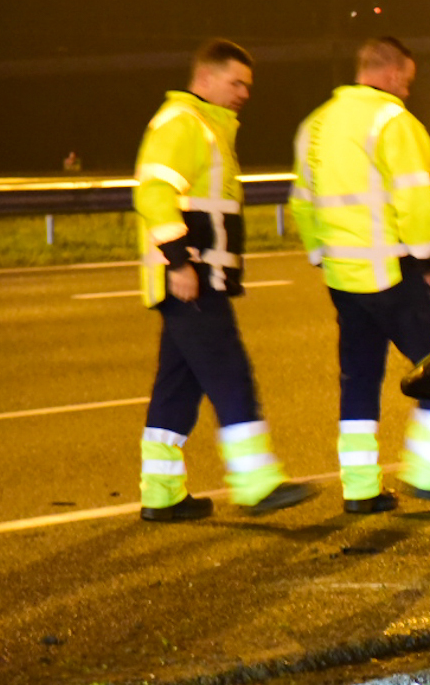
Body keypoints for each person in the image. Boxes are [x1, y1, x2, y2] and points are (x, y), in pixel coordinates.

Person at [133, 39, 312, 521]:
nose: (243, 93)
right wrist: (179, 263)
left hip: (197, 275)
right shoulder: (183, 124)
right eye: (235, 82)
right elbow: (153, 195)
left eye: (248, 85)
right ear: (205, 78)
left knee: (177, 387)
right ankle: (255, 482)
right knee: (230, 373)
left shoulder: (208, 127)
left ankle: (161, 492)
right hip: (192, 277)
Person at [288, 36, 430, 513]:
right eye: (405, 80)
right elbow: (414, 198)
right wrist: (427, 261)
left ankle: (360, 488)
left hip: (344, 277)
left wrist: (321, 255)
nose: (406, 90)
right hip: (396, 272)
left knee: (358, 379)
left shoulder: (315, 125)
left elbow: (301, 203)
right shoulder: (392, 121)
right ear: (389, 74)